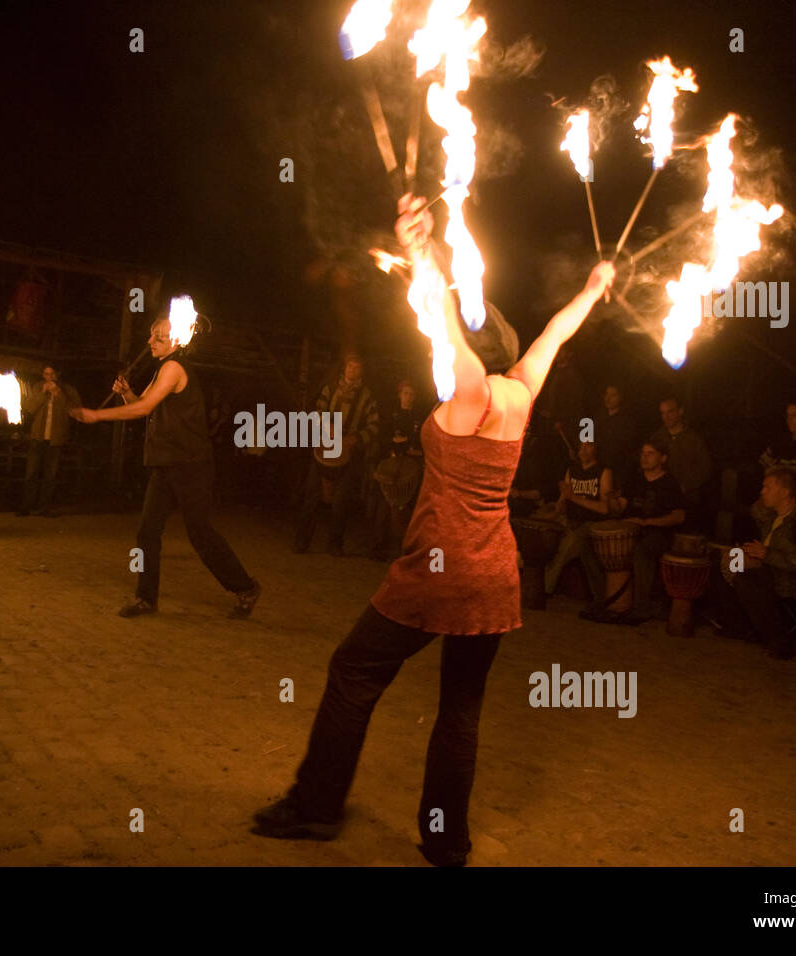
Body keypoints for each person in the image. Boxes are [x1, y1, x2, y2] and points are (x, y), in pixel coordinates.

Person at [252, 192, 616, 866]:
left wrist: (422, 247)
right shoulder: (519, 392)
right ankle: (446, 841)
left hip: (437, 573)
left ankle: (315, 806)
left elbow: (446, 323)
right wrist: (593, 290)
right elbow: (554, 335)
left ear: (473, 355)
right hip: (493, 577)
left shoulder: (472, 390)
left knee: (352, 670)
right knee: (460, 708)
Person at [71, 315, 261, 619]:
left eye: (158, 337)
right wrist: (125, 394)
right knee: (147, 532)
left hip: (191, 465)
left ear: (176, 340)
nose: (150, 341)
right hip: (166, 464)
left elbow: (144, 408)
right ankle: (146, 598)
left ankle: (245, 587)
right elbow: (142, 402)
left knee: (200, 534)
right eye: (151, 335)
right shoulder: (163, 369)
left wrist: (97, 415)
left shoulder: (173, 367)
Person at [710, 468, 796, 659]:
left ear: (785, 492)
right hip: (771, 571)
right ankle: (737, 625)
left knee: (748, 579)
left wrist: (767, 554)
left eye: (767, 487)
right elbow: (756, 509)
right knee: (722, 560)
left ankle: (779, 642)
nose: (762, 491)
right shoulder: (772, 517)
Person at [292, 355, 380, 555]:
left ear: (361, 371)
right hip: (323, 450)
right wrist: (326, 426)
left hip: (348, 457)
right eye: (350, 365)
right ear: (345, 367)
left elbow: (374, 425)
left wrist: (355, 439)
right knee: (311, 495)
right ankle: (302, 541)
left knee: (341, 501)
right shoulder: (330, 389)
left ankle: (335, 544)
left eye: (357, 367)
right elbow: (318, 411)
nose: (353, 370)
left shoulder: (367, 397)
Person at [605, 438, 686, 624]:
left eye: (650, 453)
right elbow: (619, 508)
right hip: (631, 529)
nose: (644, 457)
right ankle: (607, 599)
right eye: (643, 453)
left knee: (642, 550)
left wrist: (646, 522)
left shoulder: (670, 483)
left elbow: (679, 516)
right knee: (590, 540)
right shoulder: (635, 480)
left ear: (663, 458)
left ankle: (641, 606)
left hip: (658, 533)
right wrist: (611, 499)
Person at [543, 439, 612, 611]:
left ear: (596, 449)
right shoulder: (572, 471)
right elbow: (562, 504)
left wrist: (574, 498)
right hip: (569, 520)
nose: (583, 450)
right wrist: (556, 509)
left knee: (571, 543)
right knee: (541, 529)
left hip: (592, 523)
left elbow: (604, 508)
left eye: (588, 446)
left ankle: (544, 587)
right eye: (581, 446)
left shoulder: (603, 472)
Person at [370, 380, 425, 561]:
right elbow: (382, 437)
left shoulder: (418, 418)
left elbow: (421, 442)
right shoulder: (390, 416)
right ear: (400, 395)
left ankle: (406, 550)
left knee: (410, 508)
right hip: (391, 465)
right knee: (384, 507)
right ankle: (378, 547)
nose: (408, 397)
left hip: (411, 468)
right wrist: (393, 443)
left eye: (411, 394)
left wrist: (414, 448)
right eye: (406, 393)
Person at [18, 366, 81, 516]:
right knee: (31, 473)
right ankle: (27, 506)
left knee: (50, 475)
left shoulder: (68, 390)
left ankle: (44, 507)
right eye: (46, 374)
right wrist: (43, 392)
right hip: (37, 437)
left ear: (57, 374)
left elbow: (74, 409)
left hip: (56, 439)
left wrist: (58, 394)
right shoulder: (37, 387)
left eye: (52, 374)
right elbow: (29, 407)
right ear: (43, 375)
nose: (50, 377)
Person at [649, 395, 712, 527]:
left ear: (680, 411)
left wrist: (686, 485)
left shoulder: (694, 439)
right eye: (663, 413)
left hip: (686, 500)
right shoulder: (657, 438)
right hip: (661, 501)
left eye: (670, 411)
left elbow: (705, 468)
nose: (666, 417)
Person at [593, 384, 638, 490]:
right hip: (599, 469)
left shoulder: (628, 421)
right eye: (606, 394)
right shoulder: (598, 418)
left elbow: (627, 449)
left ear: (620, 397)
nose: (608, 399)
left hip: (618, 471)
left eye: (613, 395)